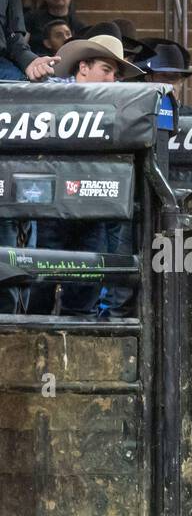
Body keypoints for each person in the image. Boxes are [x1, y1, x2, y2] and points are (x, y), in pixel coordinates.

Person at [29, 35, 144, 317]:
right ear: (83, 67)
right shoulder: (49, 91)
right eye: (106, 70)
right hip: (47, 207)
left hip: (93, 208)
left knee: (85, 290)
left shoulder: (117, 108)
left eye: (115, 75)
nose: (112, 80)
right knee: (37, 289)